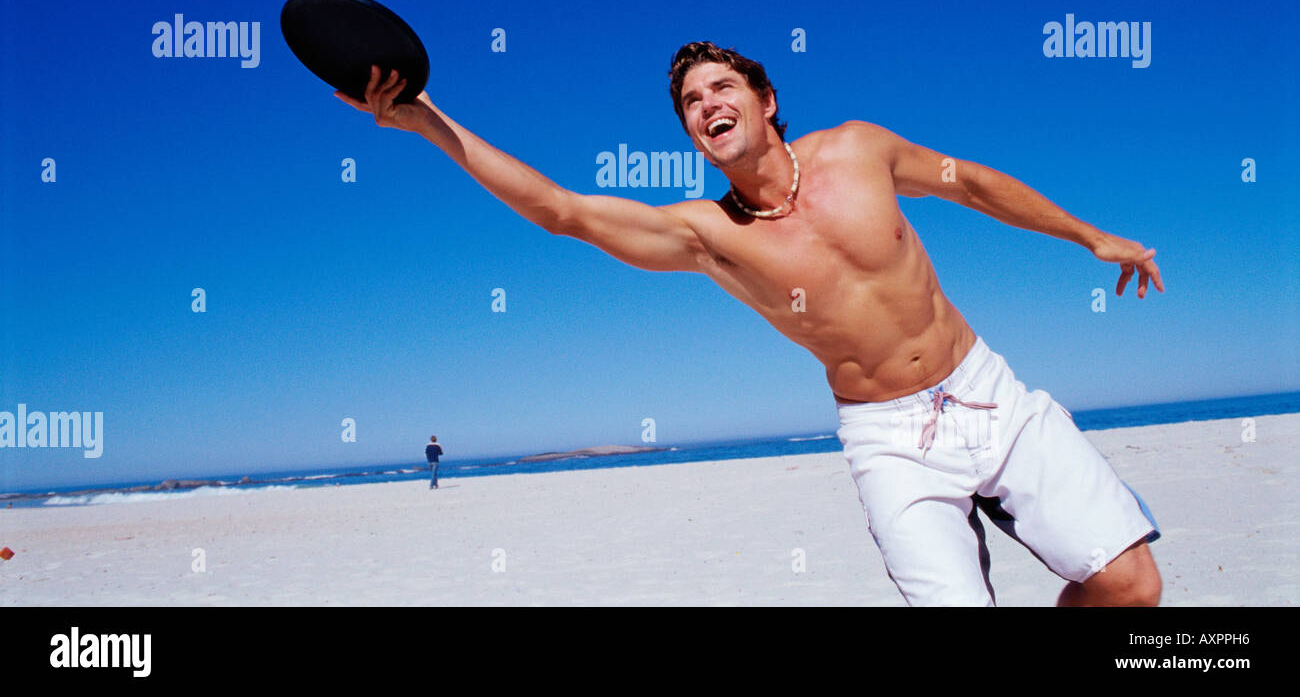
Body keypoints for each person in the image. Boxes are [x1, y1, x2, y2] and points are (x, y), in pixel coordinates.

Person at [336, 42, 1166, 606]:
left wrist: (1090, 233)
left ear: (766, 100)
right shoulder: (708, 236)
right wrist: (426, 119)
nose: (706, 104)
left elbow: (976, 184)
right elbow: (562, 211)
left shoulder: (859, 150)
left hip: (985, 390)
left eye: (721, 87)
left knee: (1132, 586)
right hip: (891, 441)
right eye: (691, 102)